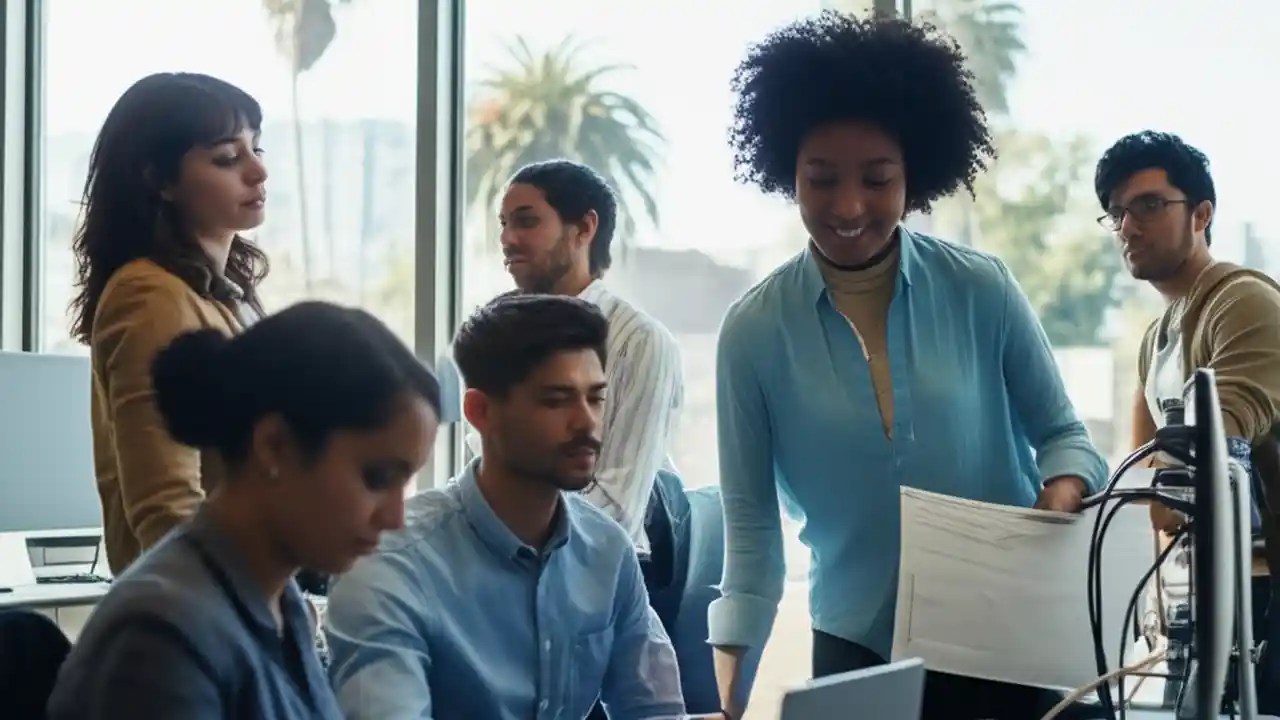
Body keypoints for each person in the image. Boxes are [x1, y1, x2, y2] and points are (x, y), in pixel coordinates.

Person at [707, 12, 1108, 720]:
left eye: (877, 178)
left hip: (1004, 632)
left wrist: (1063, 488)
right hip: (855, 644)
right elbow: (751, 530)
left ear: (913, 174)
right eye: (821, 179)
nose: (849, 205)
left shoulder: (982, 289)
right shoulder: (752, 333)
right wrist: (730, 698)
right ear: (788, 173)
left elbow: (1064, 435)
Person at [46, 301, 442, 720]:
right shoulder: (162, 638)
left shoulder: (280, 601)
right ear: (274, 446)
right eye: (377, 477)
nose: (395, 518)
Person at [325, 293, 686, 720]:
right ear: (480, 411)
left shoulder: (608, 550)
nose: (587, 421)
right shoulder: (390, 566)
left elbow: (654, 711)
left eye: (595, 398)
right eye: (556, 400)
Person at [1096, 130, 1280, 710]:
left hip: (1261, 590)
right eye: (1117, 213)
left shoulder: (1243, 301)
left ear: (1202, 214)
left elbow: (1212, 453)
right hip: (1201, 594)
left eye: (1149, 205)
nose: (1128, 226)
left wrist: (1162, 490)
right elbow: (1143, 482)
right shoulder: (1155, 340)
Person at [70, 72, 271, 574]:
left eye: (256, 148)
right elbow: (167, 508)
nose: (258, 171)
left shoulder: (217, 293)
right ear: (159, 181)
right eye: (226, 158)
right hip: (198, 601)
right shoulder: (150, 296)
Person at [496, 160, 683, 563]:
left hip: (602, 571)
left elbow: (617, 509)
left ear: (584, 228)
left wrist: (505, 541)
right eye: (504, 224)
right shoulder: (498, 337)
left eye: (526, 222)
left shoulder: (638, 341)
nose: (507, 238)